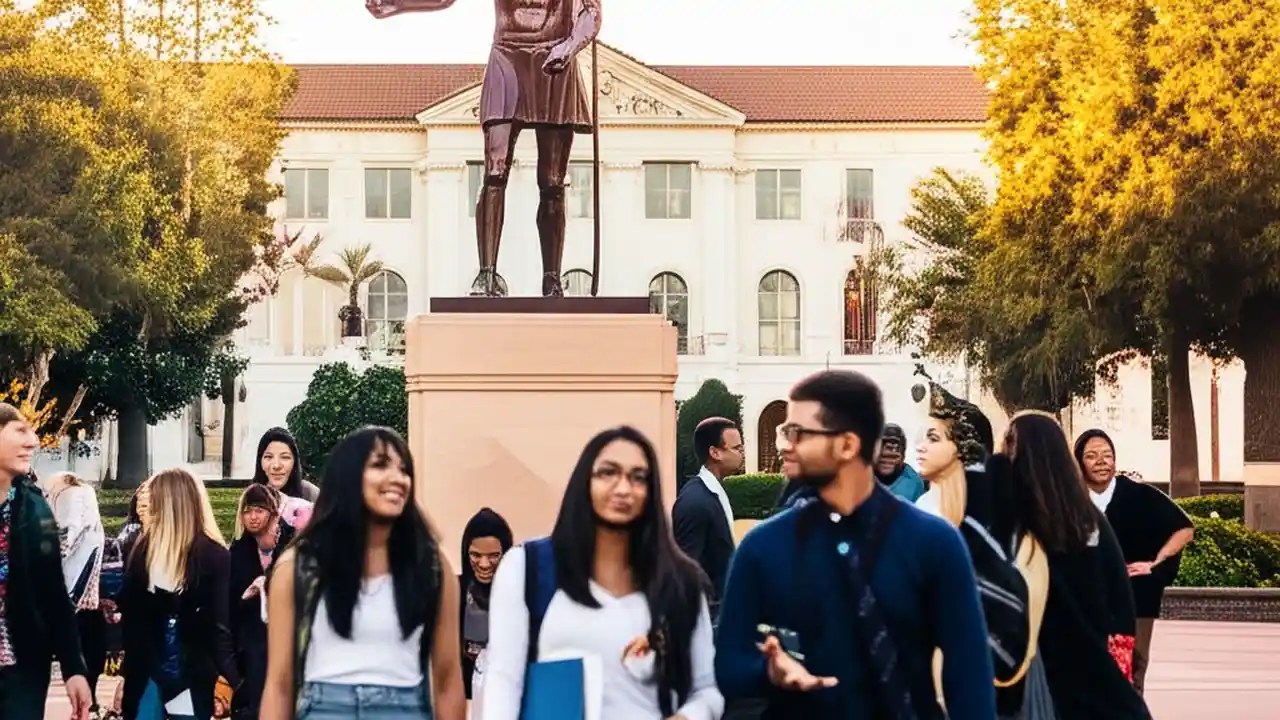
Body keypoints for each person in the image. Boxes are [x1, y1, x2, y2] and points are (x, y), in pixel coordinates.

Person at [714, 371, 995, 719]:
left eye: (798, 433)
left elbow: (968, 677)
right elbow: (728, 664)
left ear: (848, 444)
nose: (785, 444)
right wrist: (768, 671)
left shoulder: (934, 544)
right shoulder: (762, 548)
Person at [481, 426, 724, 720]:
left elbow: (706, 691)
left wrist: (686, 717)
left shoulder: (681, 584)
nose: (623, 488)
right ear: (584, 482)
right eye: (608, 473)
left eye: (638, 477)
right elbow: (504, 680)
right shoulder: (526, 570)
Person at [260, 426, 466, 720]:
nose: (398, 478)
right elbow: (279, 683)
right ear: (349, 476)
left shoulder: (432, 565)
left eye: (404, 470)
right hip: (324, 709)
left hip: (406, 709)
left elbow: (447, 681)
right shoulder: (299, 566)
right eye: (381, 465)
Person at [1006, 414, 1149, 720]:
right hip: (1092, 667)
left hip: (1036, 673)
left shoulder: (1013, 523)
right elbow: (1120, 598)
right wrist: (1120, 664)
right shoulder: (1088, 520)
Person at [1074, 428, 1194, 696]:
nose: (1101, 461)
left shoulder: (1139, 495)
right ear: (1079, 462)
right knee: (1089, 674)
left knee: (1132, 672)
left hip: (1136, 599)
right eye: (1092, 456)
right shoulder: (1071, 499)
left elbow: (1184, 529)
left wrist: (1156, 563)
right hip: (1088, 600)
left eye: (1107, 455)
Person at [114, 467, 240, 720]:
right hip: (147, 678)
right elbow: (133, 628)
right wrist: (126, 678)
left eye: (154, 500)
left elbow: (219, 628)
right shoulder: (142, 553)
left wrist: (234, 682)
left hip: (192, 679)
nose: (146, 507)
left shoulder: (213, 557)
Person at [0, 403, 93, 719]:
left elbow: (54, 593)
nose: (33, 441)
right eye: (20, 431)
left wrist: (74, 669)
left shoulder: (35, 509)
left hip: (20, 673)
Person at [41, 471, 109, 713]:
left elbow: (65, 537)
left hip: (69, 582)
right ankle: (86, 693)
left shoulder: (70, 496)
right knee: (86, 637)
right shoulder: (86, 497)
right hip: (84, 582)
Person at [229, 485, 295, 719]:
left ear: (273, 512)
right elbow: (230, 605)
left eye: (259, 510)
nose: (253, 517)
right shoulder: (237, 552)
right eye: (247, 511)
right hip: (252, 648)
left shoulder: (292, 544)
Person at [673, 417, 743, 614]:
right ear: (715, 452)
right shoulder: (696, 501)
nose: (741, 454)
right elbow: (687, 569)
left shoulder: (713, 493)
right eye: (737, 448)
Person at [457, 507, 513, 701]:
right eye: (475, 555)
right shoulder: (454, 591)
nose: (484, 564)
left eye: (493, 556)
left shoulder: (519, 594)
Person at [252, 427, 319, 502]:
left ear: (295, 462)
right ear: (260, 461)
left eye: (285, 457)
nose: (276, 466)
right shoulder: (252, 495)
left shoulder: (310, 494)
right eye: (269, 457)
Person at [875, 424, 926, 502]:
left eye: (892, 457)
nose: (887, 461)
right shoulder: (860, 475)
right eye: (883, 457)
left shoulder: (914, 483)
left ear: (903, 455)